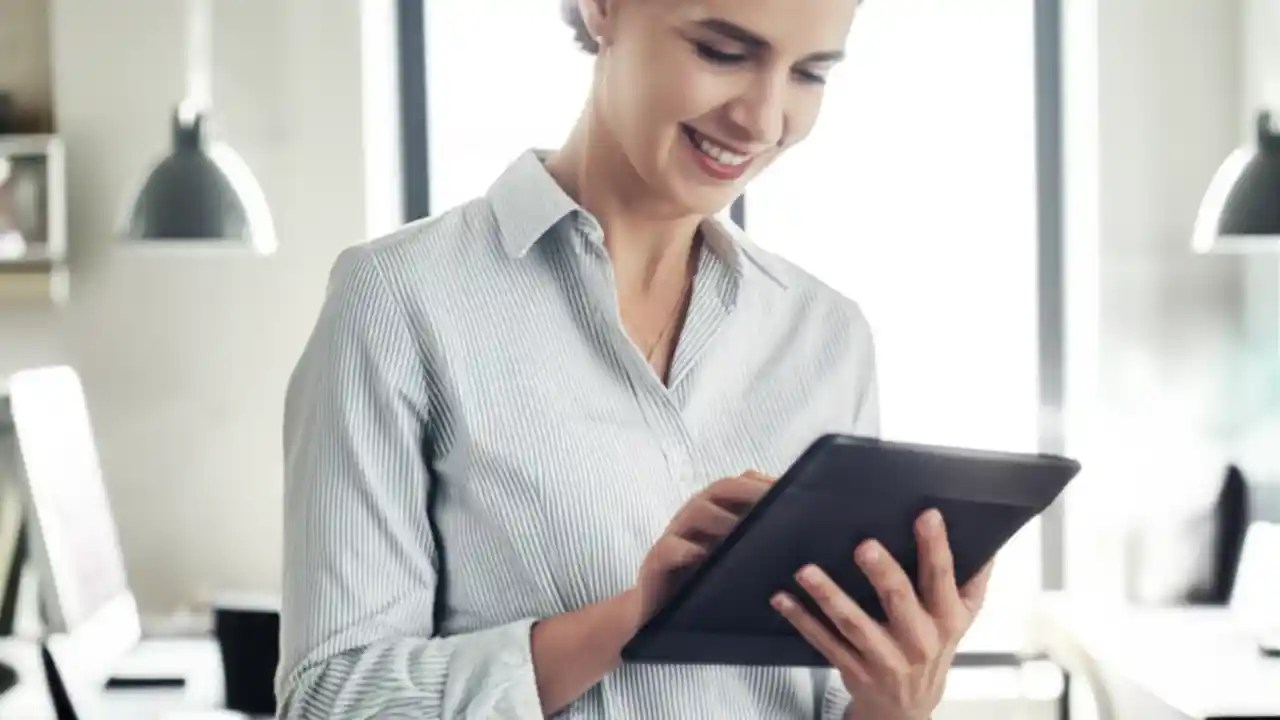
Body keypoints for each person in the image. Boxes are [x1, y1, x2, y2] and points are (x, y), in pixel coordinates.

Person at [277, 0, 993, 717]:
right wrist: (632, 618)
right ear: (603, 9)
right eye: (722, 52)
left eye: (808, 74)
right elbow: (329, 700)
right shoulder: (402, 299)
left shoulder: (828, 337)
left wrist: (899, 697)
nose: (764, 120)